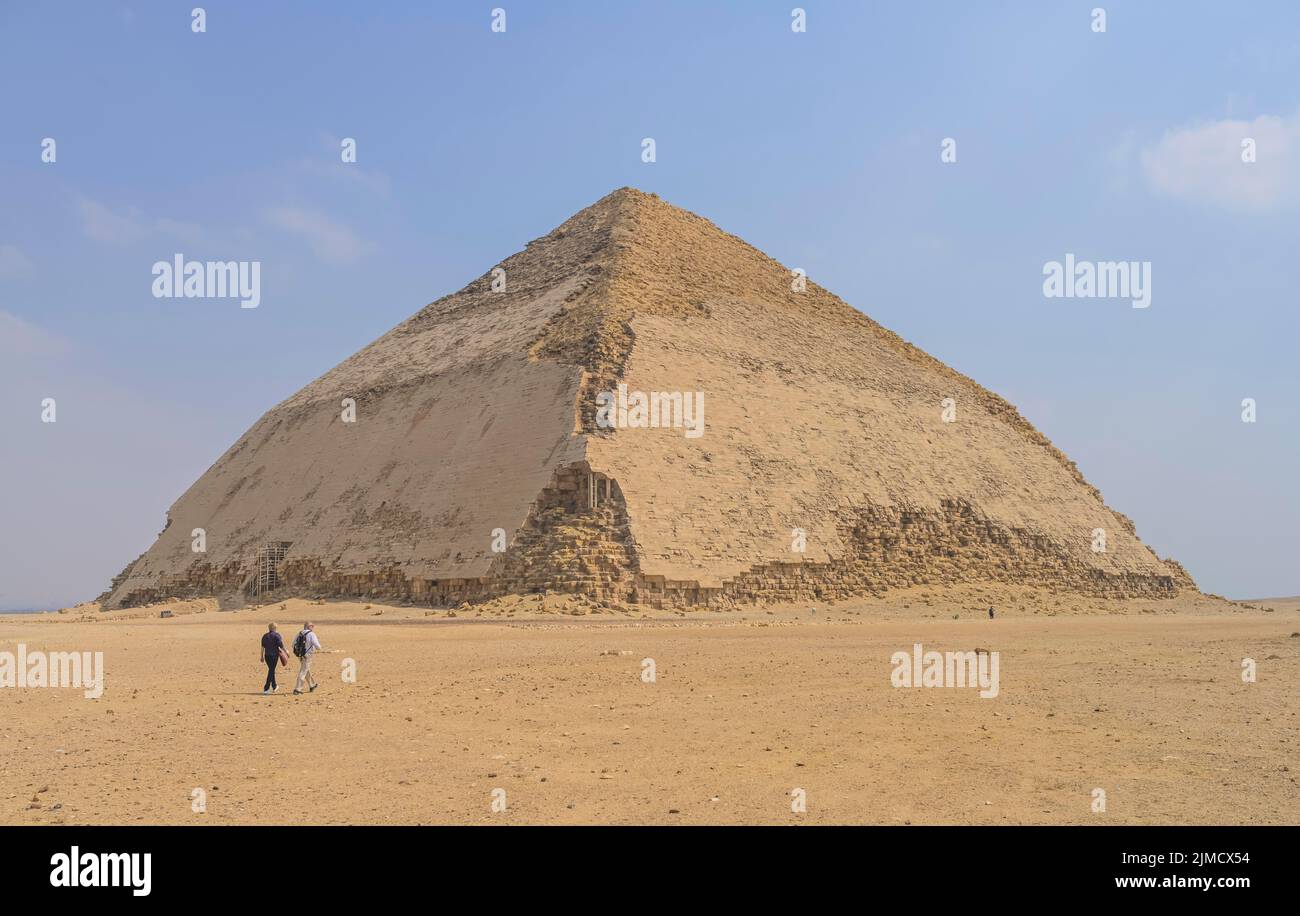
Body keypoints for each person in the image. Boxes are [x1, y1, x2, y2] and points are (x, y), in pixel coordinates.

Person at [292, 621, 322, 695]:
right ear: (309, 626)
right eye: (312, 626)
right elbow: (318, 646)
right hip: (308, 655)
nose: (313, 627)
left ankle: (312, 685)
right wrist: (318, 648)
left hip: (300, 655)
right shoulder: (311, 634)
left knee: (305, 669)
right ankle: (297, 689)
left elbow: (293, 645)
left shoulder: (299, 633)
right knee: (303, 671)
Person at [260, 623, 285, 694]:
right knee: (271, 670)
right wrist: (286, 652)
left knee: (271, 670)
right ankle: (266, 688)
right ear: (275, 628)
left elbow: (262, 647)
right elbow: (281, 645)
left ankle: (274, 686)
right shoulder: (277, 635)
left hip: (267, 656)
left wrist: (261, 656)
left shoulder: (264, 636)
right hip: (274, 656)